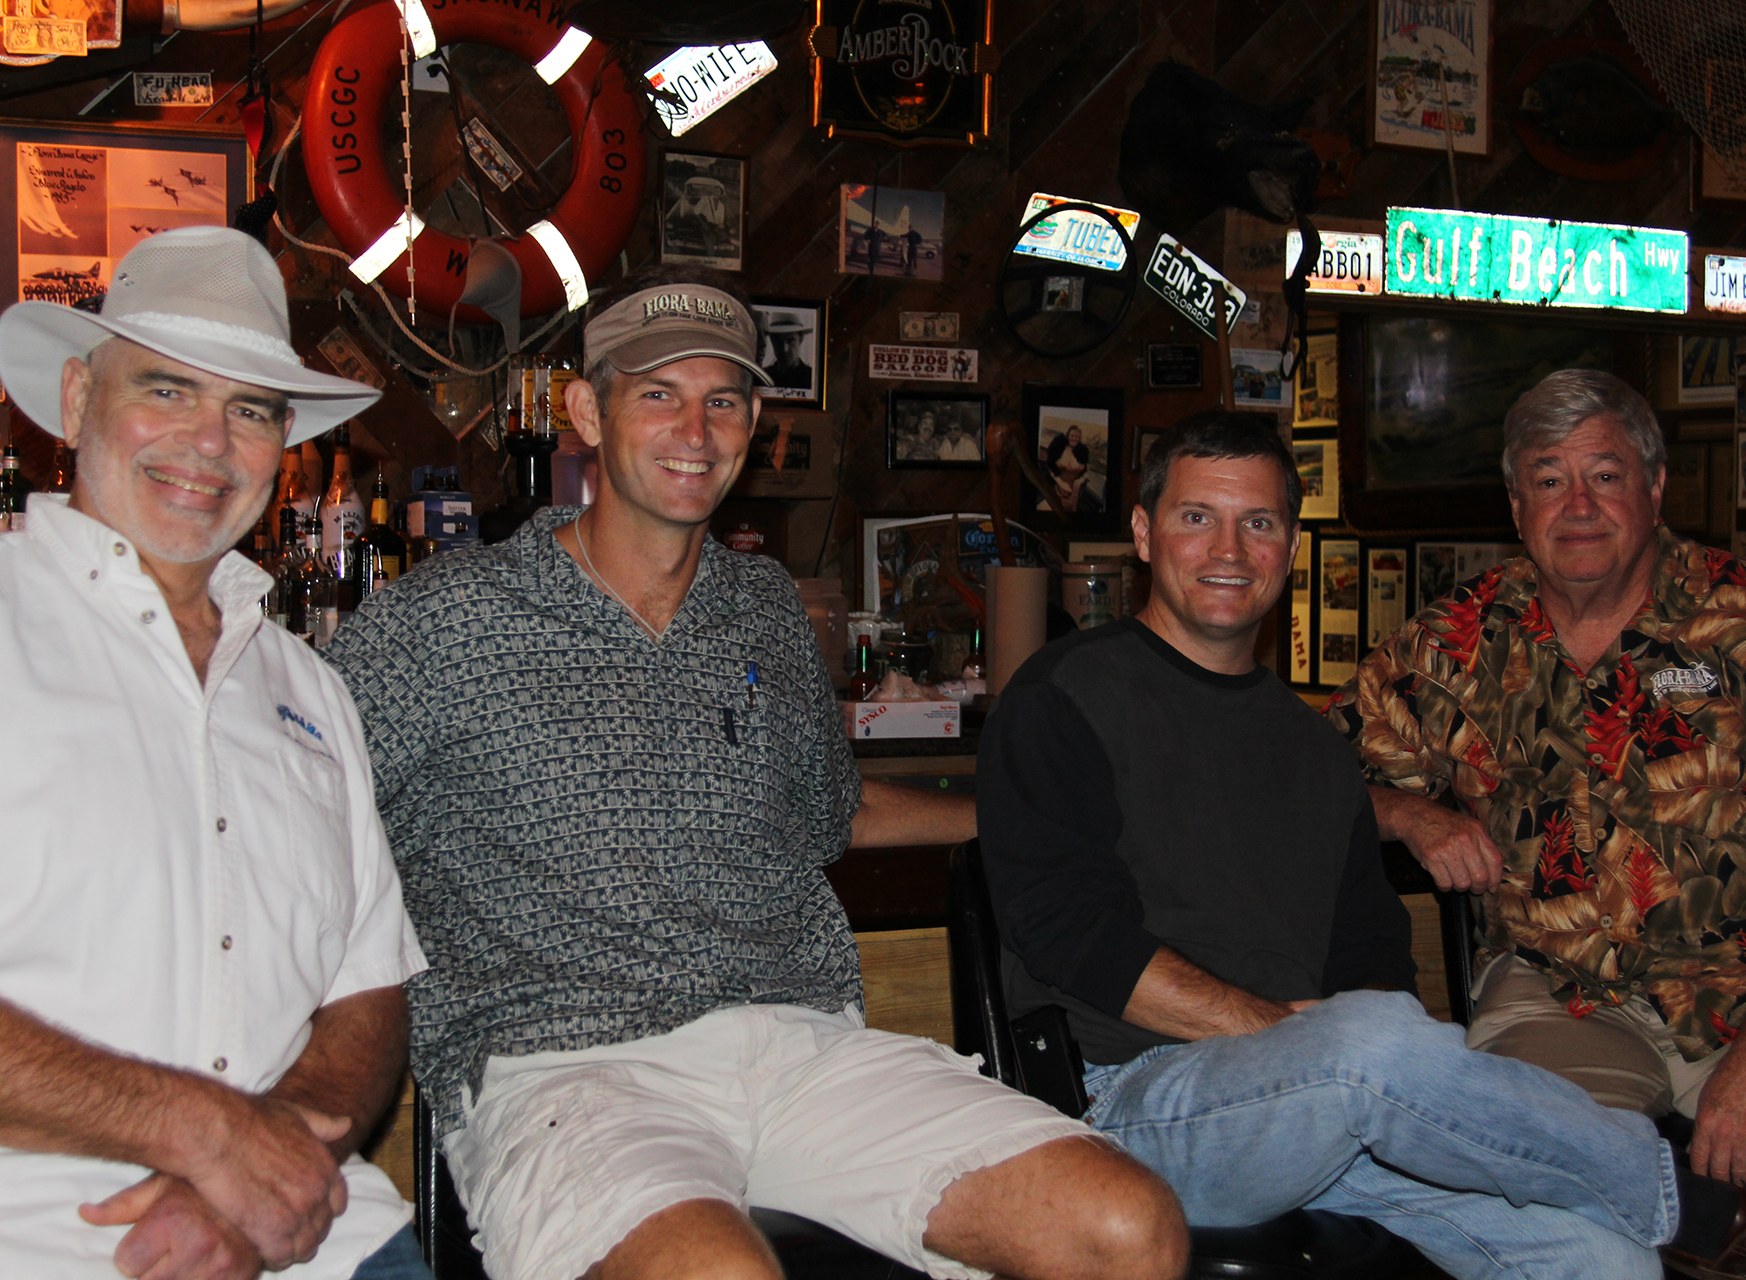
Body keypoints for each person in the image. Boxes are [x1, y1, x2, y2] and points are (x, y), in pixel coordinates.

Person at [324, 266, 1187, 1280]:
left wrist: (1016, 814)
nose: (697, 428)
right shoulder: (443, 619)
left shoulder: (765, 609)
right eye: (659, 394)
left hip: (797, 1043)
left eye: (723, 400)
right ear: (586, 412)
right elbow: (298, 813)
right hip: (564, 1061)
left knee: (1130, 1227)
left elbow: (834, 810)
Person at [979, 408, 1746, 1280]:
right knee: (1371, 1044)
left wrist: (1334, 1040)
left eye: (1258, 523)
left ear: (1289, 545)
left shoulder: (1316, 749)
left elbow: (1374, 960)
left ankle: (1649, 1225)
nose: (1228, 551)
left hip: (1323, 1105)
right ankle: (1708, 1212)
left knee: (1604, 1260)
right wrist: (1282, 1036)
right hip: (1129, 1101)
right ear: (1142, 533)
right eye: (1195, 518)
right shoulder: (1068, 694)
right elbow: (1069, 932)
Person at [0, 226, 432, 1279]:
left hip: (317, 1229)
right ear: (77, 400)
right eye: (165, 391)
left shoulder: (310, 688)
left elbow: (370, 992)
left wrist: (272, 1157)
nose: (208, 444)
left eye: (249, 410)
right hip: (27, 1240)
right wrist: (203, 1134)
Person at [1326, 369, 1746, 1271]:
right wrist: (1410, 812)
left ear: (1654, 489)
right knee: (1518, 1206)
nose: (1578, 505)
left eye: (1605, 476)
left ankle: (1713, 1223)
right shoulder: (1454, 638)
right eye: (1548, 479)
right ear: (1515, 504)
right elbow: (1312, 781)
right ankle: (1715, 1228)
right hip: (1557, 990)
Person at [758, 311, 813, 393]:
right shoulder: (761, 378)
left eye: (790, 340)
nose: (784, 349)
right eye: (778, 341)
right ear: (772, 341)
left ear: (801, 339)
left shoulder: (812, 378)